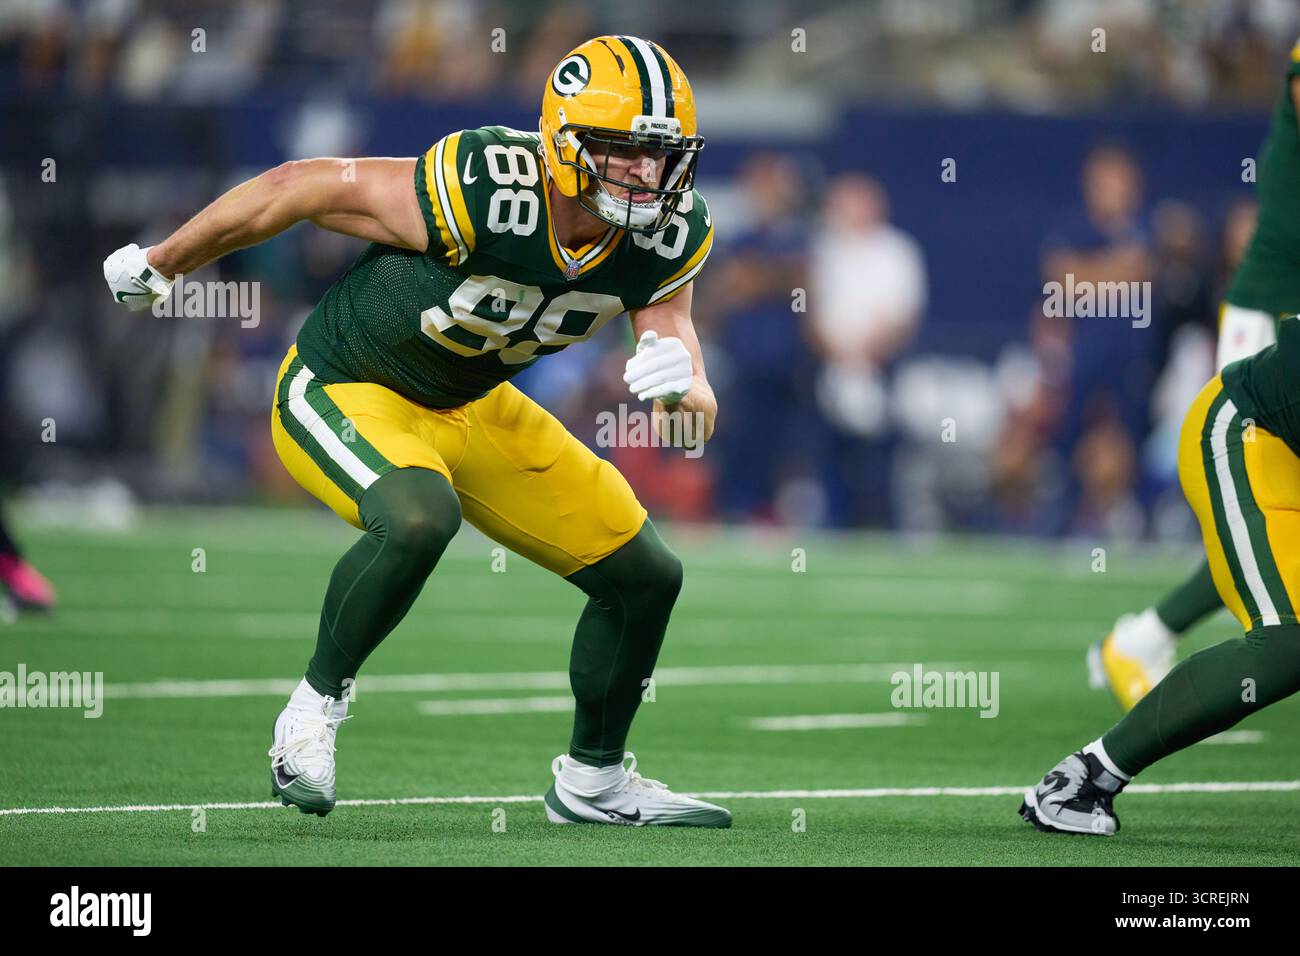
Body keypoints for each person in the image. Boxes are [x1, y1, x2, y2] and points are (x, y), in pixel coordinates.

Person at [103, 36, 730, 828]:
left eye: (662, 155)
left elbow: (694, 401)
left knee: (646, 576)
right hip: (348, 381)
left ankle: (594, 783)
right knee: (418, 517)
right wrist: (166, 260)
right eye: (626, 151)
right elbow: (301, 185)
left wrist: (682, 394)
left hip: (473, 405)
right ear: (565, 145)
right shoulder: (485, 187)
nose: (648, 175)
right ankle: (310, 712)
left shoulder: (665, 235)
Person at [1088, 38, 1300, 711]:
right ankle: (1144, 638)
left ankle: (1145, 637)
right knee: (1261, 507)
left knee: (1272, 515)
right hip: (1274, 307)